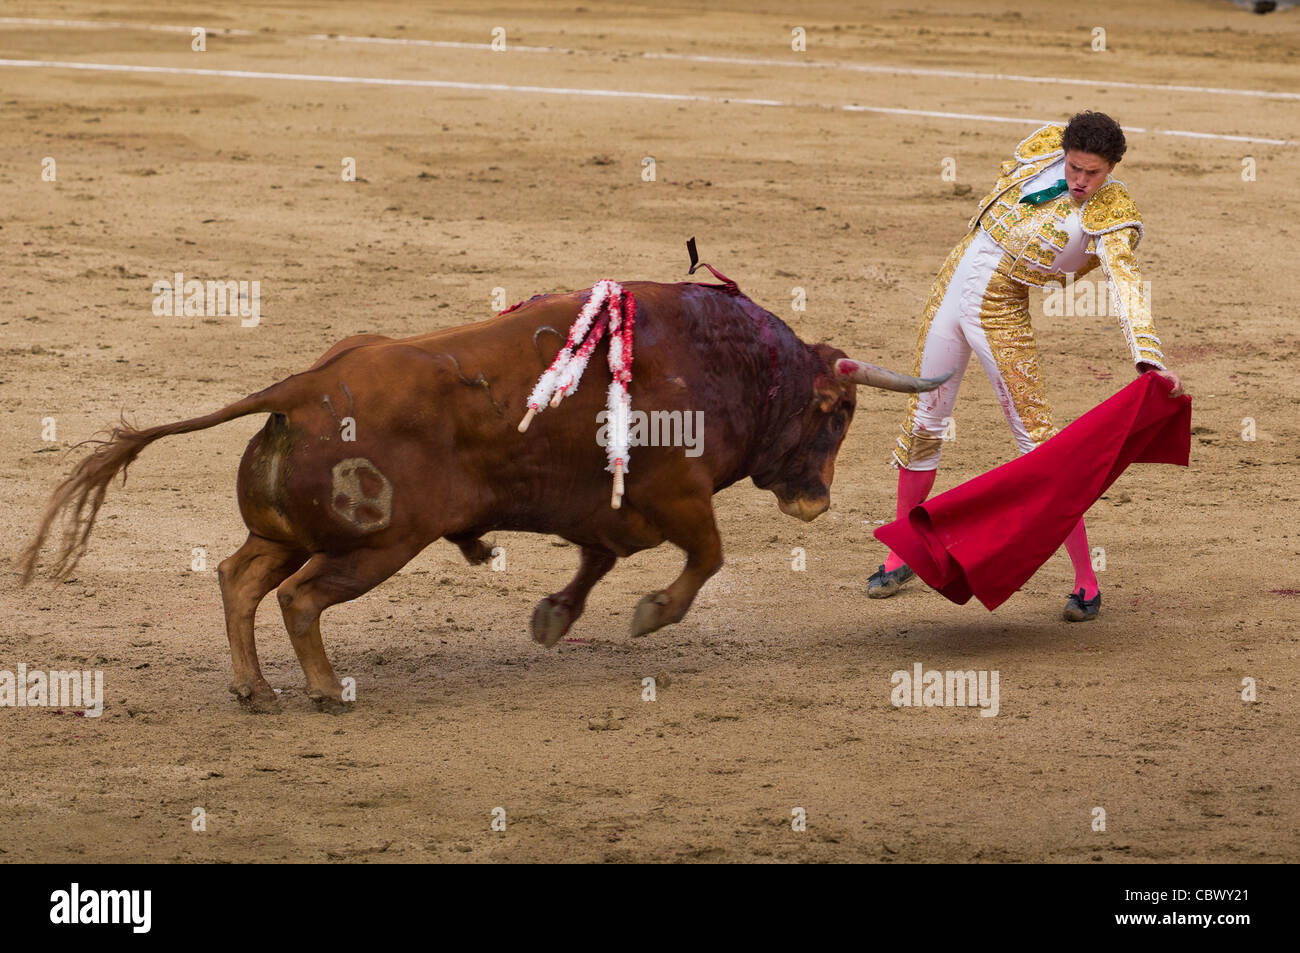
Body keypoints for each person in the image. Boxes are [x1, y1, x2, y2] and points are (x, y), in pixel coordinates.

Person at [868, 111, 1185, 621]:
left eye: (1092, 173)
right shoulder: (1041, 150)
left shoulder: (1111, 212)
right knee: (925, 421)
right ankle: (903, 550)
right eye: (1074, 168)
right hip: (952, 288)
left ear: (1113, 168)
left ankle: (1085, 578)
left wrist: (1148, 356)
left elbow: (1127, 282)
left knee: (1039, 446)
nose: (1079, 181)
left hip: (1000, 310)